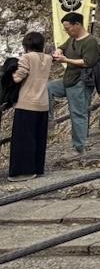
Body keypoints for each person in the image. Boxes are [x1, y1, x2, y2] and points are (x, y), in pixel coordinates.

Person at [49, 12, 98, 158]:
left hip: (80, 81)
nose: (66, 31)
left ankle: (80, 146)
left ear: (77, 25)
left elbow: (88, 62)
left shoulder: (90, 41)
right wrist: (58, 51)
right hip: (68, 80)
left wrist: (66, 60)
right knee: (47, 88)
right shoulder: (72, 38)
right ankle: (49, 119)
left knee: (78, 113)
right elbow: (62, 46)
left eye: (68, 28)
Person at [9, 32, 54, 180]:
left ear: (26, 45)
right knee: (38, 137)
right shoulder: (48, 59)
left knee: (23, 140)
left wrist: (10, 72)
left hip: (26, 103)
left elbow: (18, 77)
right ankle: (37, 168)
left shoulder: (27, 57)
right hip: (42, 103)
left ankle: (23, 172)